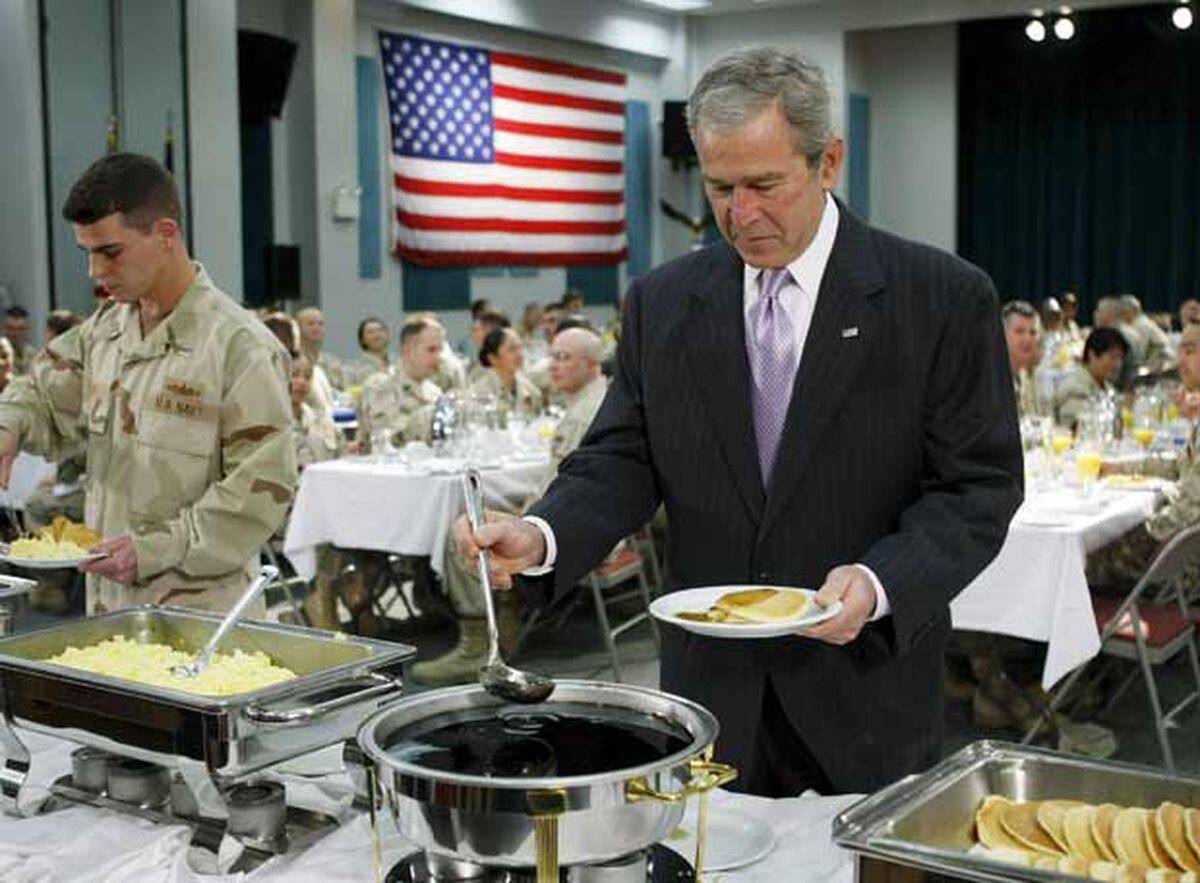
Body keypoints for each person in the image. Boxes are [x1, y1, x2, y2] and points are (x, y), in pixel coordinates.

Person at [456, 47, 1022, 797]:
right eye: (721, 187)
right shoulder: (662, 302)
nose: (740, 214)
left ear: (829, 162)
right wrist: (543, 533)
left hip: (865, 692)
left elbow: (977, 487)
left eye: (764, 184)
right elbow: (622, 456)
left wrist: (881, 580)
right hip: (712, 697)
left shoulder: (940, 298)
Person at [0, 153, 296, 614]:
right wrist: (9, 426)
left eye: (110, 252)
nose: (95, 271)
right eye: (87, 253)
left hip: (199, 615)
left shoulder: (238, 348)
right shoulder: (106, 332)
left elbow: (262, 488)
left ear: (165, 234)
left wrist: (154, 549)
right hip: (110, 609)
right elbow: (41, 395)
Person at [413, 328, 609, 685]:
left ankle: (479, 645)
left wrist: (522, 519)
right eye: (552, 356)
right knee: (483, 512)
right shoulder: (598, 400)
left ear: (592, 363)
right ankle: (506, 616)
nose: (552, 365)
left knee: (467, 529)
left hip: (579, 533)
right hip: (596, 521)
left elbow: (562, 494)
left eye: (563, 358)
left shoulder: (584, 413)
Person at [1088, 322, 1200, 587]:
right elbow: (1177, 466)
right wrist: (1116, 468)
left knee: (1078, 559)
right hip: (1181, 556)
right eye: (1180, 350)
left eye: (1190, 350)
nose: (1180, 359)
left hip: (1184, 569)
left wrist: (1137, 534)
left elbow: (1187, 513)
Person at [358, 315, 446, 450]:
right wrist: (425, 419)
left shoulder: (435, 392)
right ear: (407, 350)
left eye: (441, 350)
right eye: (431, 350)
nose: (439, 357)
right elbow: (384, 444)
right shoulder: (380, 386)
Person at [1053, 328, 1127, 431]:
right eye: (1112, 357)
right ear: (1092, 355)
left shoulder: (1108, 387)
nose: (1118, 364)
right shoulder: (1074, 387)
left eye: (1121, 358)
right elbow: (1075, 426)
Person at [470, 327, 543, 423]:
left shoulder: (532, 392)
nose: (520, 354)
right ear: (493, 358)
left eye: (520, 347)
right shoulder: (479, 394)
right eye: (512, 349)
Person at [1003, 300, 1043, 418]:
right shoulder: (991, 381)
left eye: (1033, 332)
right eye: (1019, 331)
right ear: (1002, 335)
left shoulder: (1025, 376)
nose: (1027, 339)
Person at [296, 306, 346, 390]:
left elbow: (341, 390)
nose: (316, 328)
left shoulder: (333, 362)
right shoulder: (292, 359)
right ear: (298, 328)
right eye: (310, 324)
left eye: (321, 324)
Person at [344, 317, 392, 387]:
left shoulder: (400, 362)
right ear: (362, 340)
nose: (377, 335)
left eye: (380, 330)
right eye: (370, 332)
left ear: (388, 335)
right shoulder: (353, 367)